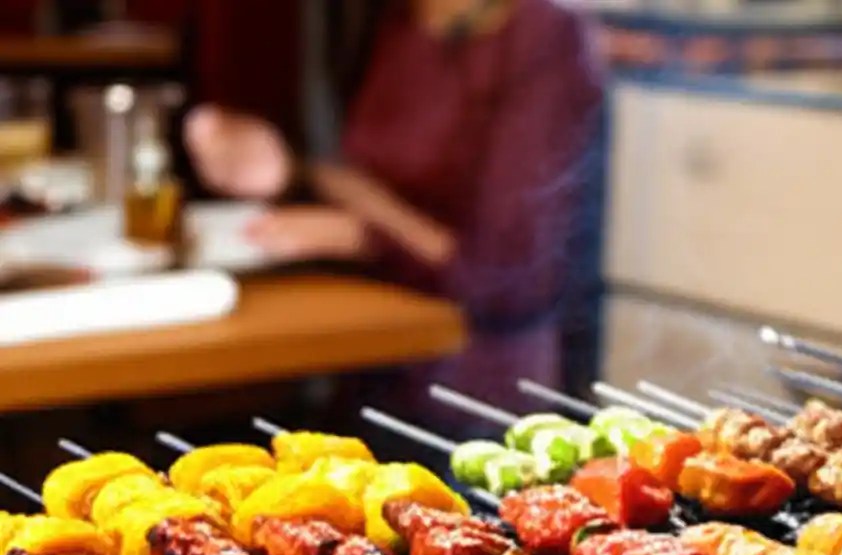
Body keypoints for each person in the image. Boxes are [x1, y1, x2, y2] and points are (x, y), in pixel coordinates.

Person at [184, 0, 603, 423]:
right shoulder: (401, 19)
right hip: (372, 374)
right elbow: (372, 185)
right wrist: (285, 171)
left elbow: (505, 279)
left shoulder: (546, 37)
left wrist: (361, 237)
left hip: (473, 403)